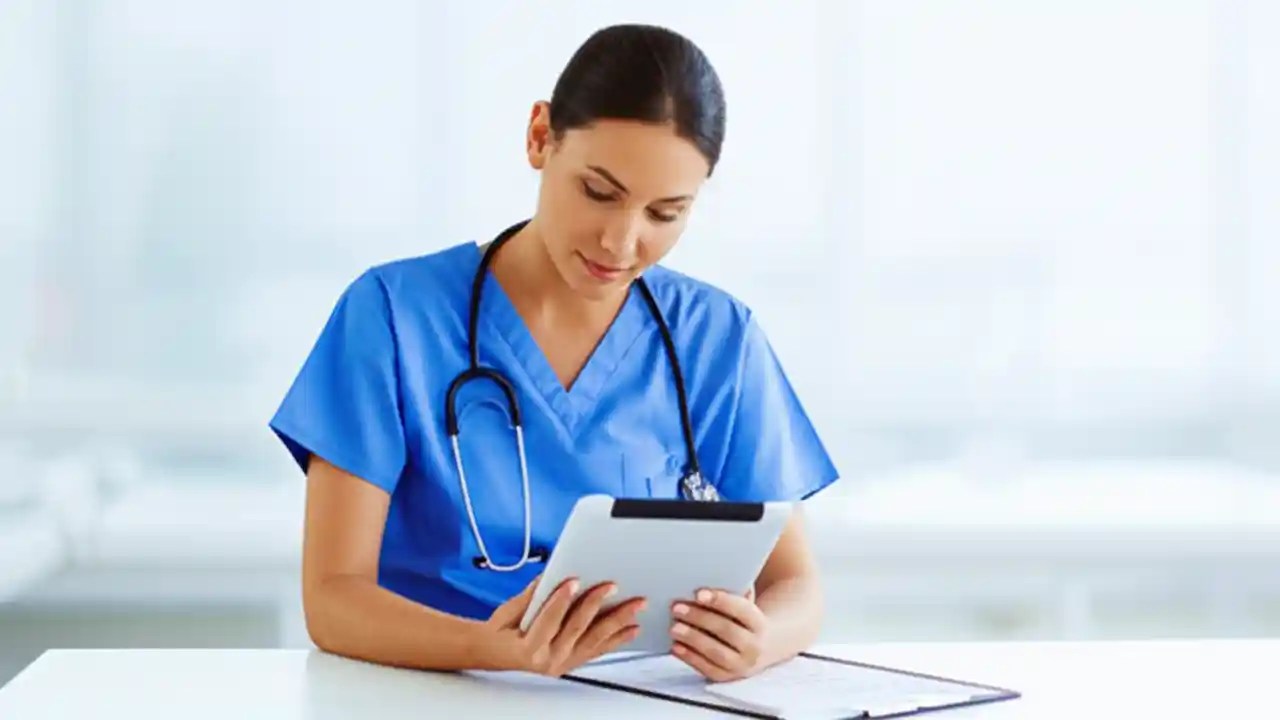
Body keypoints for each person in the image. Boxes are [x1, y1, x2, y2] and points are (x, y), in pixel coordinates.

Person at [269, 23, 839, 682]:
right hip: (436, 695)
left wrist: (758, 641)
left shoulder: (717, 338)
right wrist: (494, 650)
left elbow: (798, 589)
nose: (622, 243)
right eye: (599, 192)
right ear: (540, 136)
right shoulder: (393, 316)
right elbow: (333, 599)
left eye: (665, 213)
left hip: (641, 699)